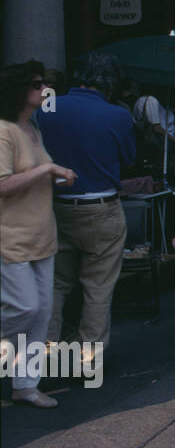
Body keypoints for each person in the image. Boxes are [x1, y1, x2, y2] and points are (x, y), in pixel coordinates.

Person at [38, 51, 136, 364]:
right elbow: (130, 159)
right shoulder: (117, 115)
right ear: (110, 85)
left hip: (55, 205)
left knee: (56, 282)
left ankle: (45, 351)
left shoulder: (48, 108)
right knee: (98, 287)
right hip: (101, 207)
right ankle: (86, 359)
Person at [1, 61, 76, 407]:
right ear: (18, 90)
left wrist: (54, 175)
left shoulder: (33, 128)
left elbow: (28, 176)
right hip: (10, 235)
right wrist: (47, 168)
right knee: (25, 306)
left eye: (44, 82)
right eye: (36, 83)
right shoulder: (4, 131)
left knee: (42, 311)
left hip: (42, 233)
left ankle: (25, 385)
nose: (43, 88)